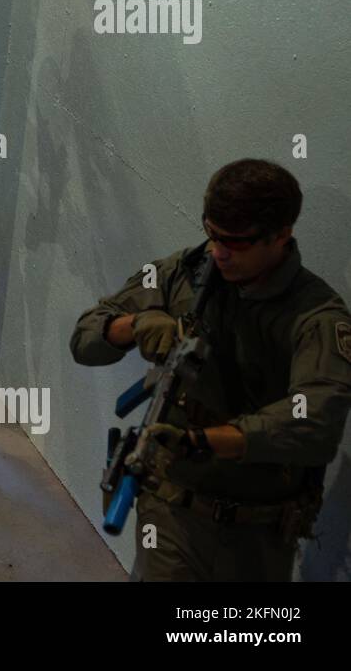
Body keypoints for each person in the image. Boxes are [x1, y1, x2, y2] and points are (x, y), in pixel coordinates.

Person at [71, 159, 351, 580]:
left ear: (282, 235)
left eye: (236, 242)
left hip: (258, 531)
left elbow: (313, 421)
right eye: (212, 233)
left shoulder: (317, 318)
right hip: (171, 513)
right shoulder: (182, 273)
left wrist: (204, 441)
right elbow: (85, 339)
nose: (219, 252)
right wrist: (134, 326)